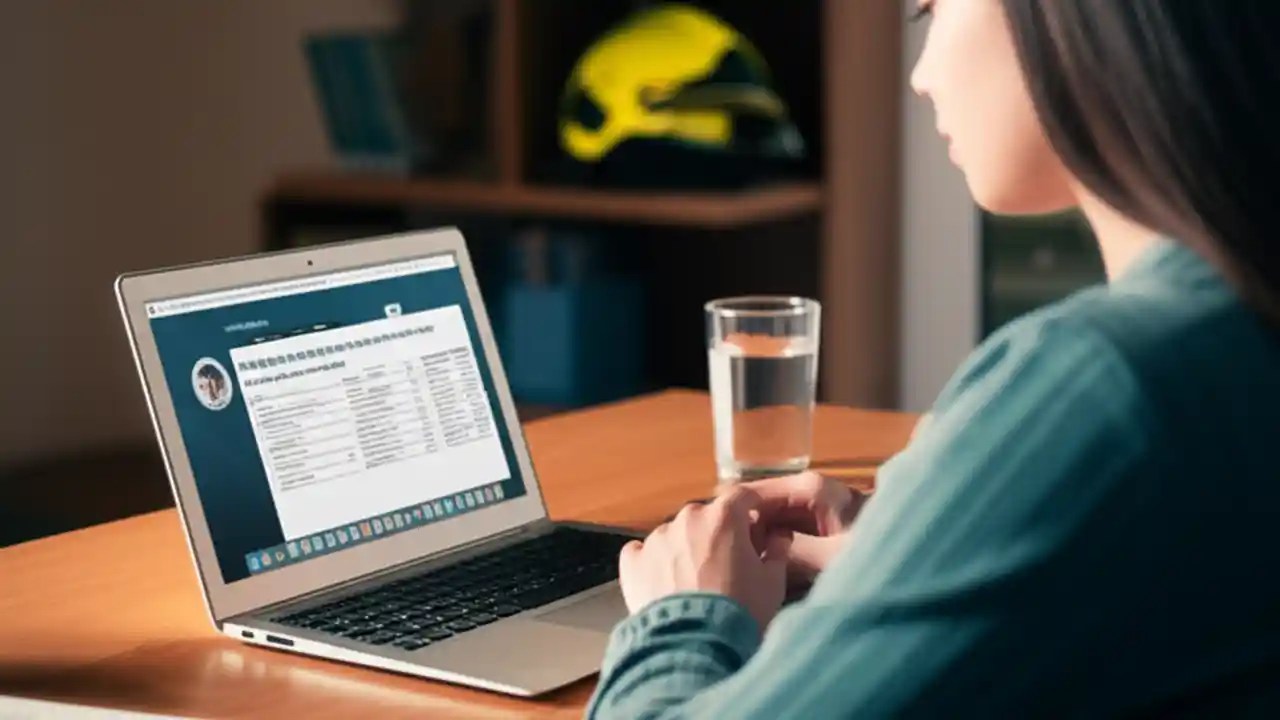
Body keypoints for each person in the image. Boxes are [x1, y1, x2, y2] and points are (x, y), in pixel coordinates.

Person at [588, 1, 1280, 717]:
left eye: (929, 10)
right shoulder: (1230, 329)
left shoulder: (1102, 385)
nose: (920, 78)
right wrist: (920, 557)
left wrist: (682, 615)